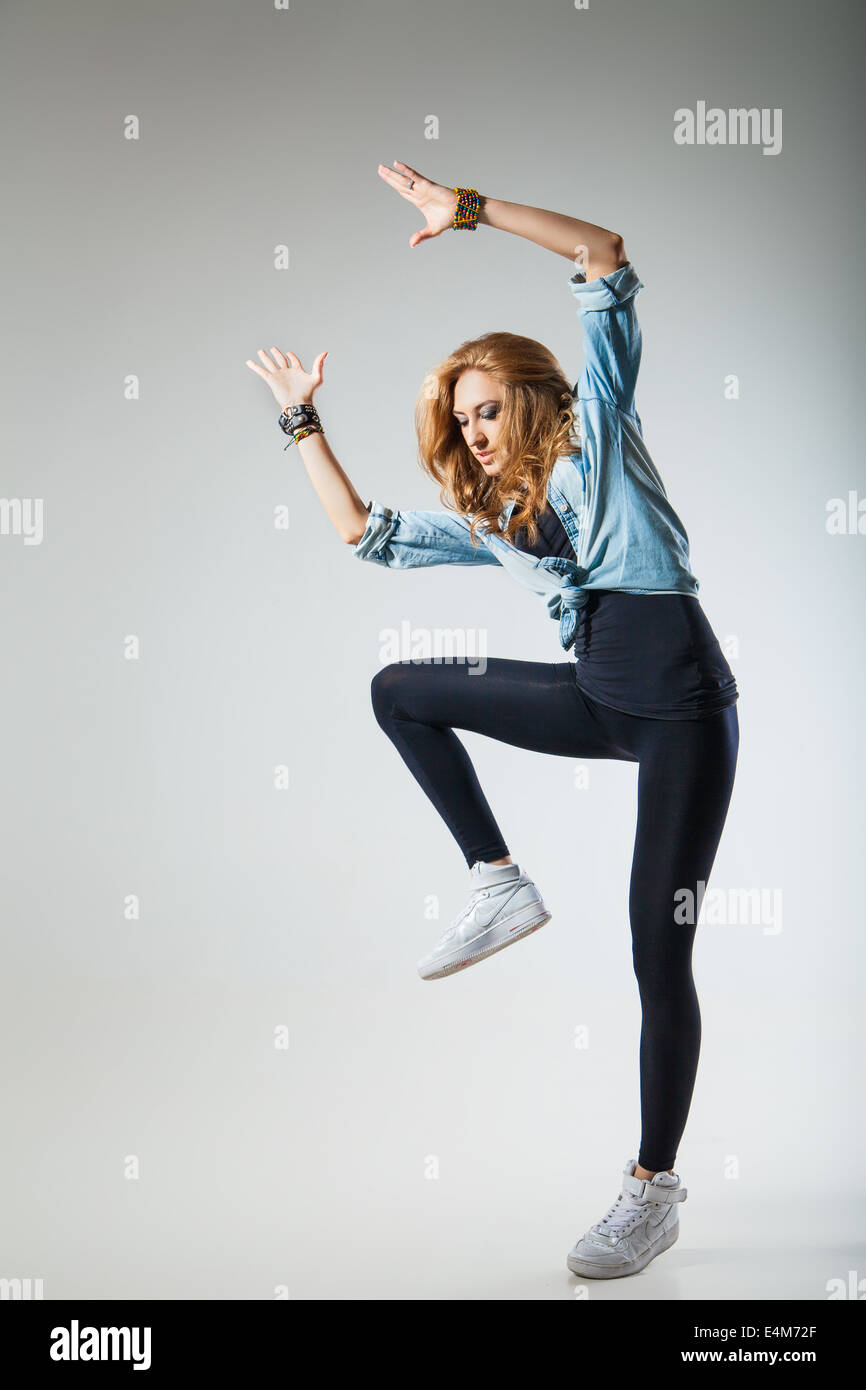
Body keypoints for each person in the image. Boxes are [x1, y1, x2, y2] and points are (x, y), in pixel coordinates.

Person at [244, 162, 740, 1280]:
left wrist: (468, 210)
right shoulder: (494, 517)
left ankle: (649, 1189)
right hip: (594, 698)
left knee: (655, 955)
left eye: (484, 410)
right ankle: (496, 878)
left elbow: (602, 252)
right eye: (455, 419)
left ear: (528, 395)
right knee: (399, 688)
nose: (469, 432)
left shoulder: (599, 429)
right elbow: (366, 538)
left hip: (682, 723)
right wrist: (300, 422)